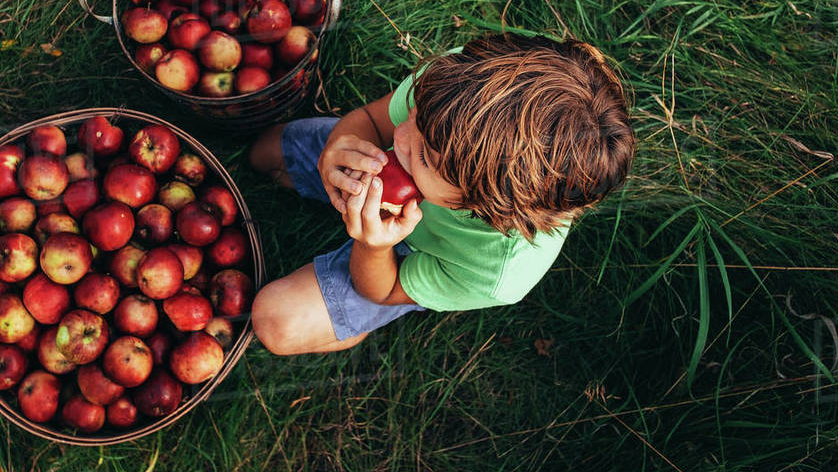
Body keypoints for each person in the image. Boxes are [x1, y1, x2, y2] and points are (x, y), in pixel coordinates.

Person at [248, 32, 635, 355]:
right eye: (416, 117)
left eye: (424, 157)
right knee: (262, 153)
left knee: (276, 321)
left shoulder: (494, 273)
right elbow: (372, 121)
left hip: (406, 256)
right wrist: (339, 147)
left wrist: (374, 247)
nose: (400, 134)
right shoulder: (454, 89)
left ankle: (349, 325)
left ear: (484, 206)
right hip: (366, 159)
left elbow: (385, 289)